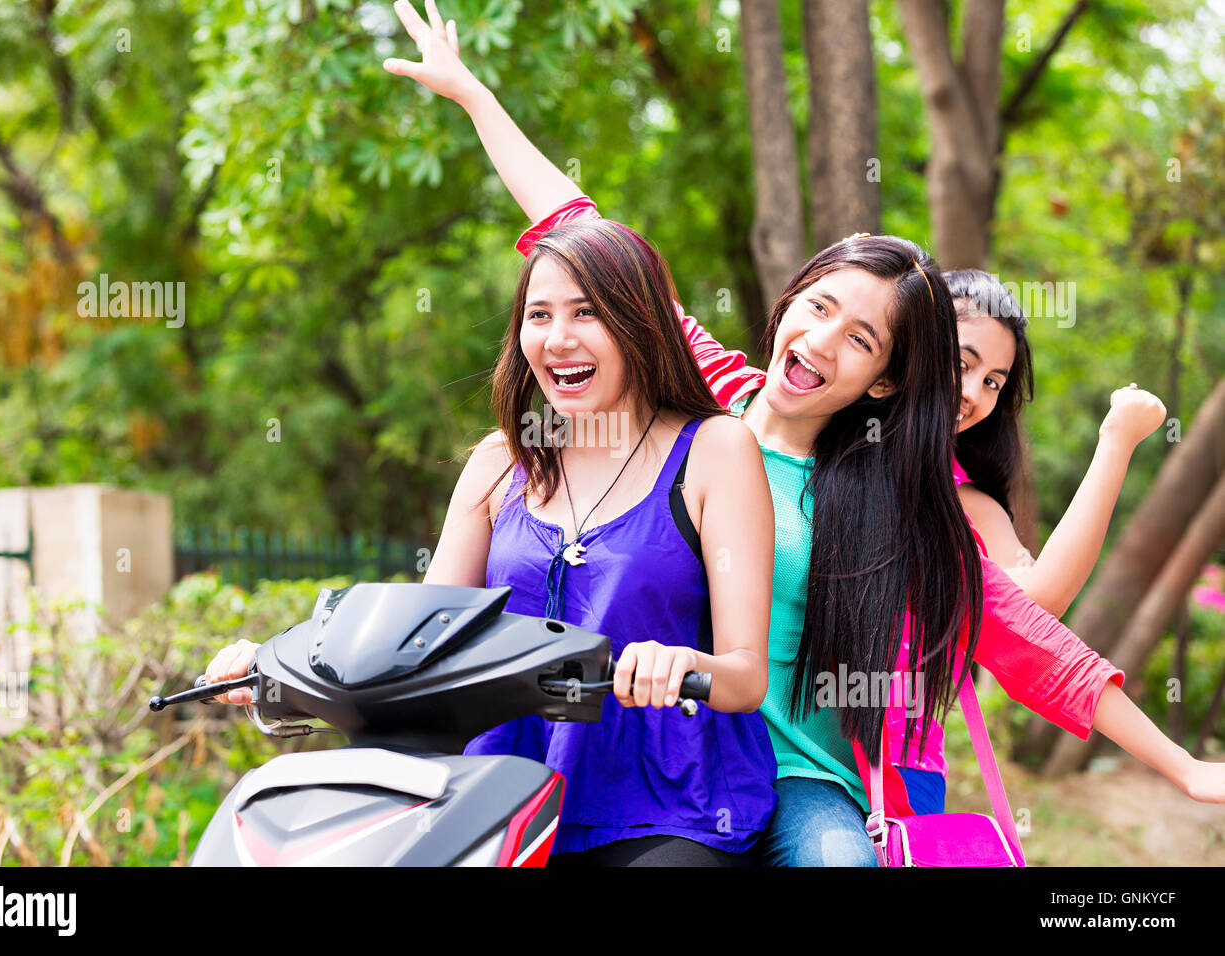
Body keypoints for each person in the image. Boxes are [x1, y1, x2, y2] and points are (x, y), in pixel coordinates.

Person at [379, 0, 1225, 866]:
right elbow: (588, 244)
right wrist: (476, 97)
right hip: (660, 753)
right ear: (788, 303)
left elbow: (1034, 638)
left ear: (886, 378)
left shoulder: (887, 501)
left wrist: (1185, 768)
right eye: (818, 307)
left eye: (859, 339)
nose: (820, 340)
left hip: (798, 777)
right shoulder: (711, 405)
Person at [205, 171, 779, 868]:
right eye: (539, 316)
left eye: (587, 313)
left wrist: (683, 661)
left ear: (641, 323)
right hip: (494, 798)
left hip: (665, 807)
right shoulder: (498, 463)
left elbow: (747, 676)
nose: (558, 338)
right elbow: (416, 642)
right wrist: (270, 671)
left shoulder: (716, 449)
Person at [886, 271, 1168, 814]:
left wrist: (1116, 443)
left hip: (896, 777)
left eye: (993, 381)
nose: (972, 393)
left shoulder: (963, 505)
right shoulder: (807, 435)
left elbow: (1039, 602)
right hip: (754, 745)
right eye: (962, 364)